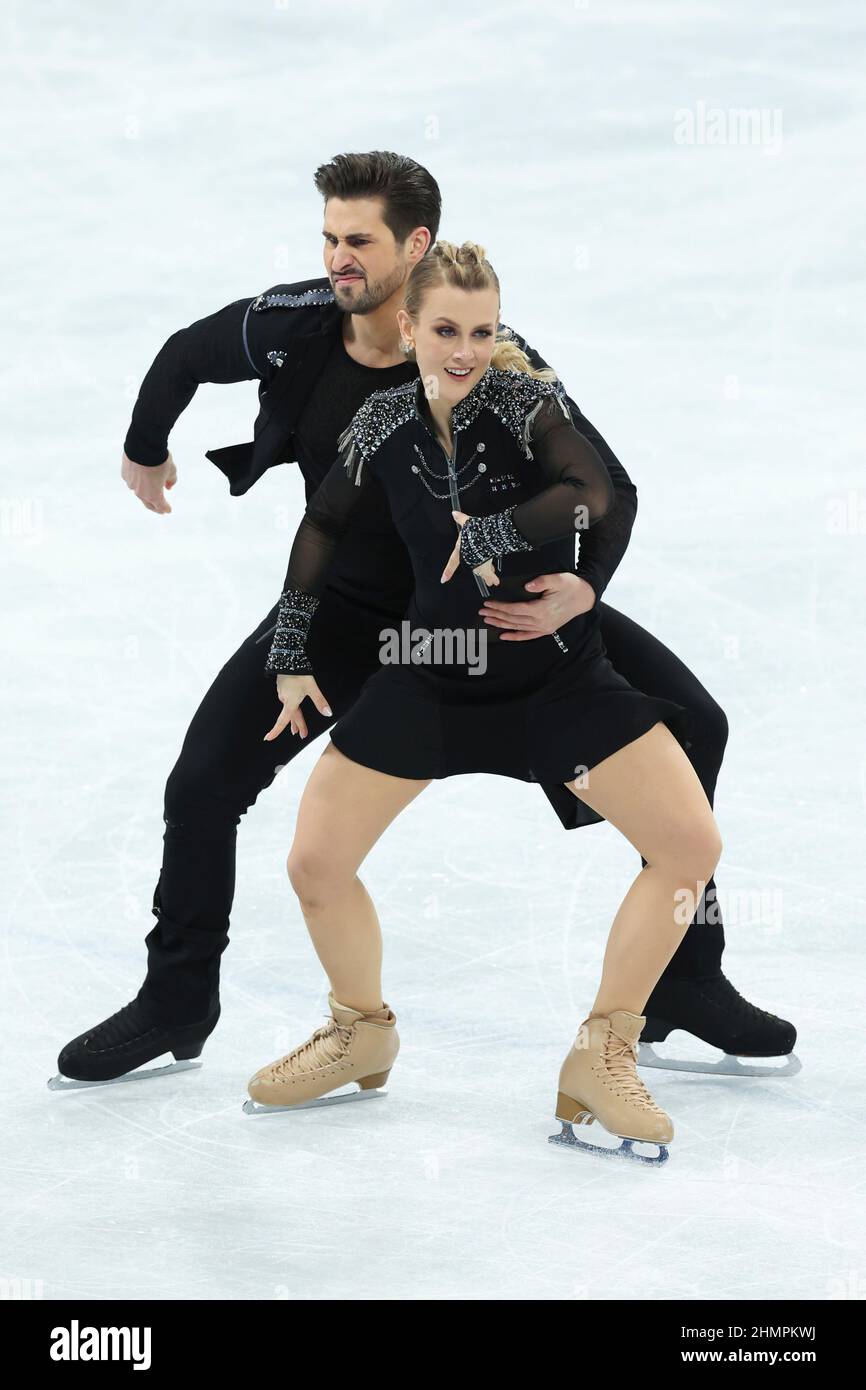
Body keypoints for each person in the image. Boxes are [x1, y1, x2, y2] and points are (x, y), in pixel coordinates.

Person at [54, 151, 795, 1093]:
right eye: (328, 237)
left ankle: (683, 980)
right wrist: (144, 449)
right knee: (203, 780)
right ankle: (176, 998)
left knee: (698, 725)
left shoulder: (493, 357)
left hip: (484, 611)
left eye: (358, 241)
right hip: (349, 613)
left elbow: (608, 488)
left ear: (417, 247)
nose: (337, 260)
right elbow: (184, 357)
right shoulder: (294, 326)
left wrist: (585, 590)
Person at [244, 239, 726, 1161]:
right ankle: (361, 1030)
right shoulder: (381, 423)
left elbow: (595, 490)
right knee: (314, 862)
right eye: (445, 330)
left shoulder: (523, 399)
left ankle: (602, 1051)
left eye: (482, 329)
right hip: (431, 669)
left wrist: (525, 547)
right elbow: (323, 525)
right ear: (408, 327)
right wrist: (293, 649)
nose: (465, 349)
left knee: (689, 846)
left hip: (552, 679)